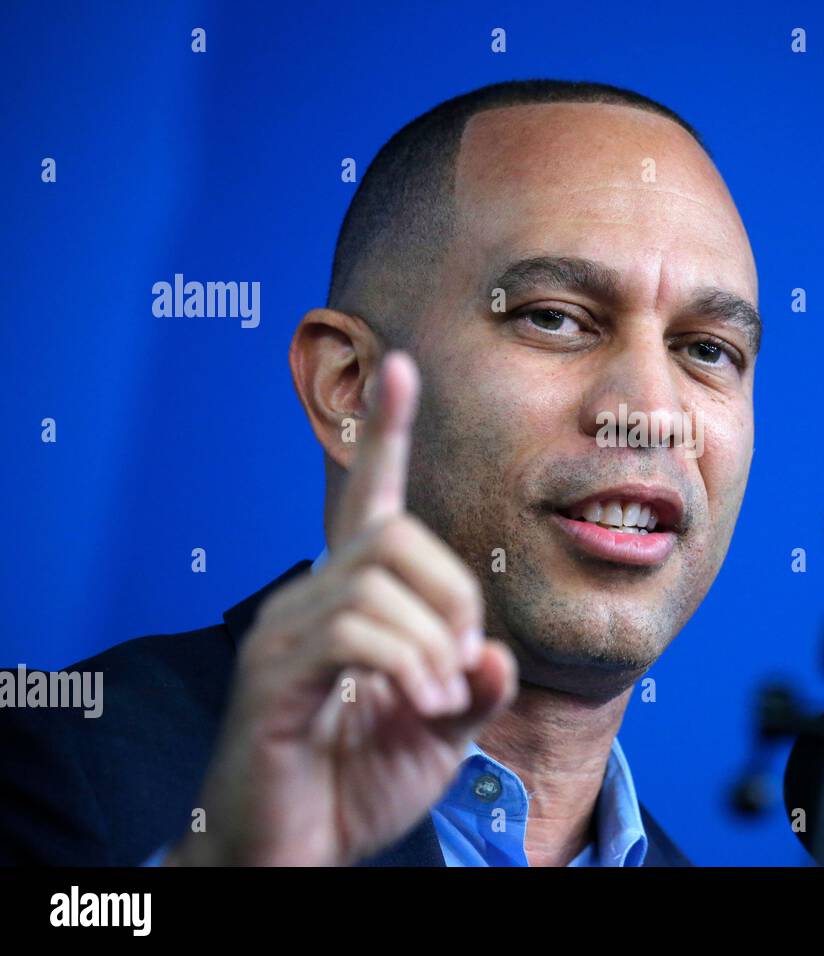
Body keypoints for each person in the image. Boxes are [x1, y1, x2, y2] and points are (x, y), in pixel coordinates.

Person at [0, 78, 762, 867]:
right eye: (554, 317)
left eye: (708, 350)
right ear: (349, 390)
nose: (649, 413)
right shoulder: (60, 771)